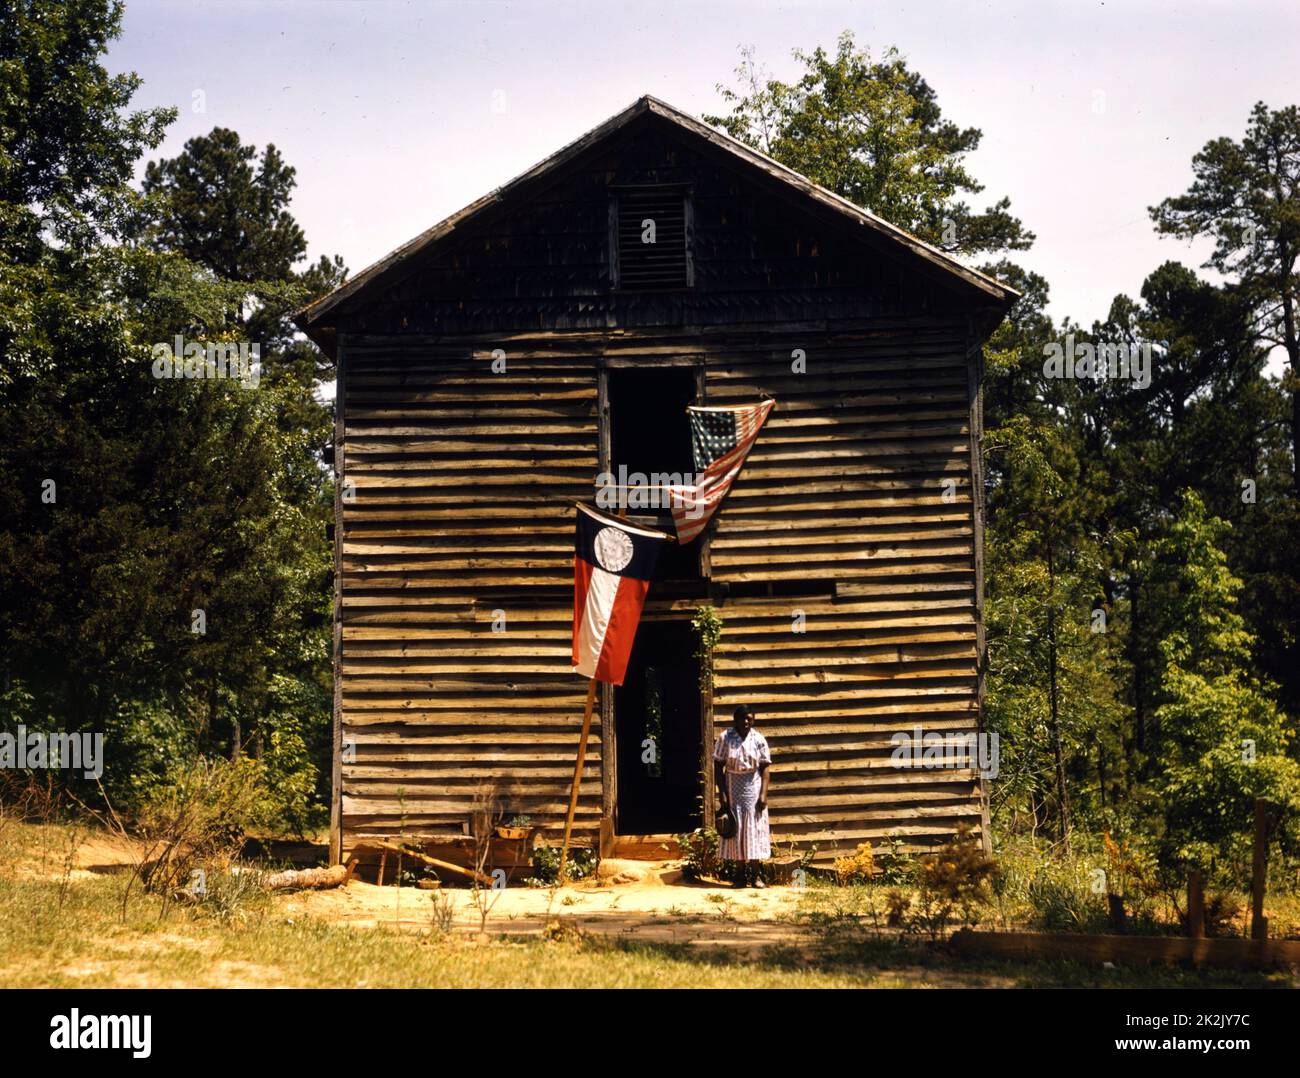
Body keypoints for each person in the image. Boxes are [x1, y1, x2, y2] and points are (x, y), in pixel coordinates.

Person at [712, 704, 771, 887]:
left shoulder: (758, 739)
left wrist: (763, 795)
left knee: (754, 830)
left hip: (753, 787)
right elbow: (717, 766)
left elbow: (765, 767)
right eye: (742, 718)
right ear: (735, 720)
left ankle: (755, 876)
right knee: (736, 830)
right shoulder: (725, 737)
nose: (746, 722)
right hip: (732, 788)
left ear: (753, 720)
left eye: (749, 718)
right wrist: (722, 793)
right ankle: (739, 876)